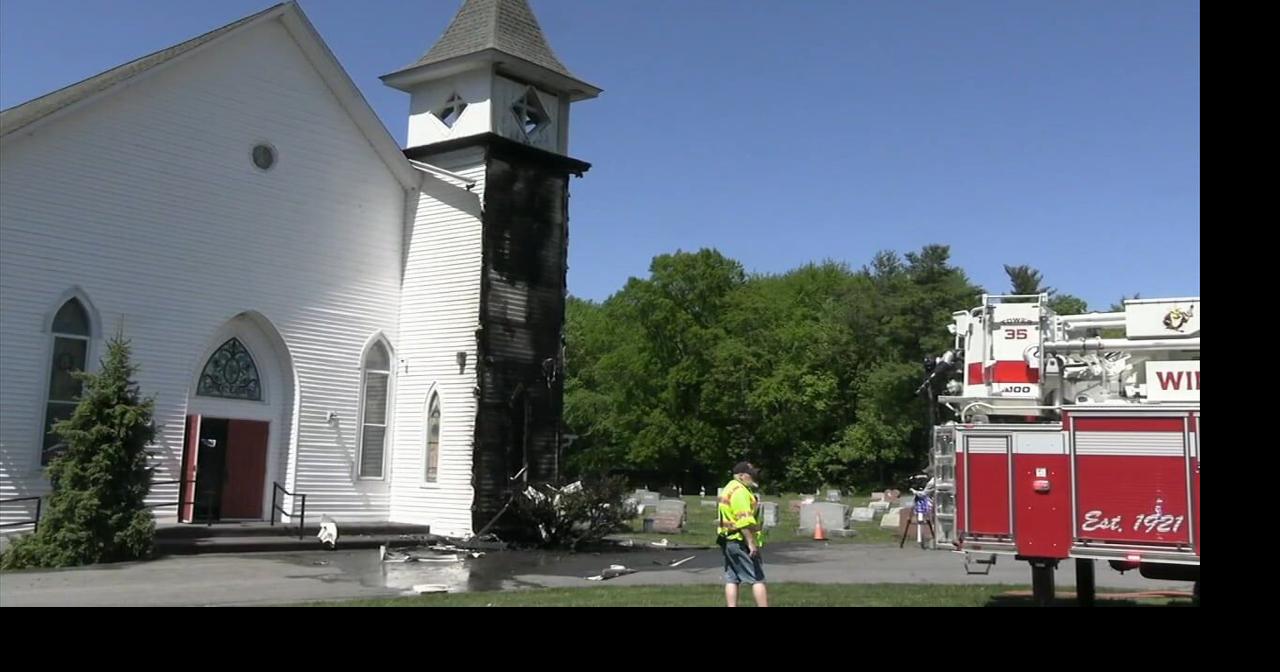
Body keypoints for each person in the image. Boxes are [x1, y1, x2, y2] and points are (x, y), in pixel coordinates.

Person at [717, 461, 767, 607]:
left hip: (729, 540)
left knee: (732, 579)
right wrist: (751, 543)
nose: (754, 477)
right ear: (741, 475)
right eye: (750, 475)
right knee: (757, 578)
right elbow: (743, 521)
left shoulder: (730, 488)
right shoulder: (740, 492)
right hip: (741, 541)